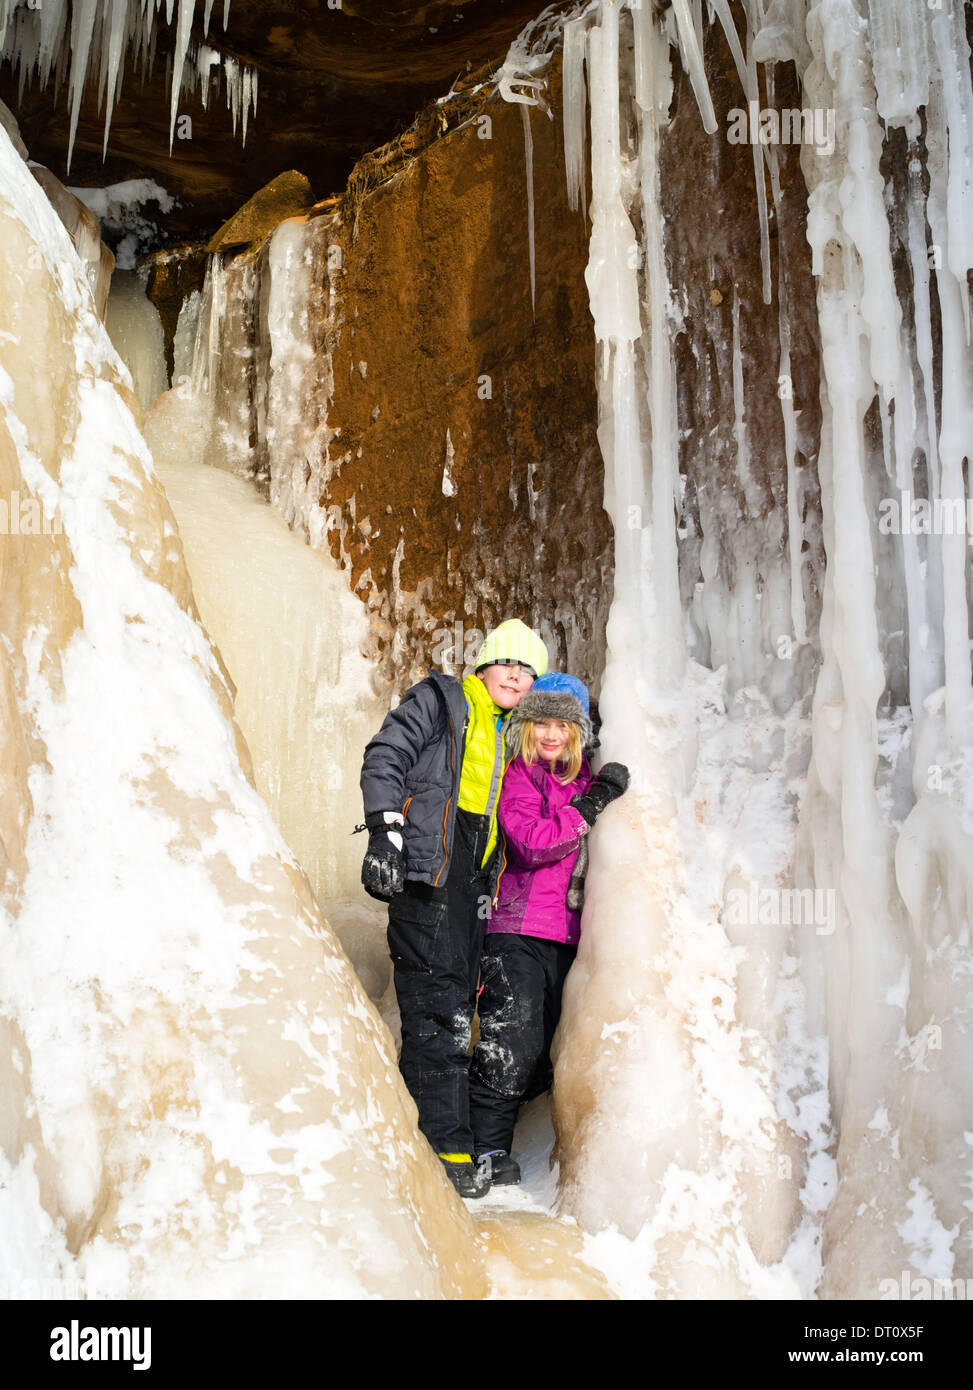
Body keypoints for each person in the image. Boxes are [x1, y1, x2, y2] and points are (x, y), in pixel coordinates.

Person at [358, 618, 549, 1198]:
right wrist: (384, 833)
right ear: (484, 665)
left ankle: (455, 1137)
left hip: (468, 882)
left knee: (460, 1007)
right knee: (438, 1008)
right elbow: (385, 754)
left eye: (526, 668)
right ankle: (444, 1149)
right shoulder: (440, 699)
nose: (514, 674)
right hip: (429, 874)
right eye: (506, 663)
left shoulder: (507, 730)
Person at [468, 672, 630, 1187]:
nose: (551, 734)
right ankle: (488, 1148)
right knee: (510, 1040)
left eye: (563, 724)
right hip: (515, 928)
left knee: (548, 1048)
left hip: (569, 938)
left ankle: (515, 1134)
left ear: (580, 731)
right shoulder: (519, 775)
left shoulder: (586, 780)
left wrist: (593, 796)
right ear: (527, 727)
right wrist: (588, 809)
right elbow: (532, 843)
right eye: (541, 723)